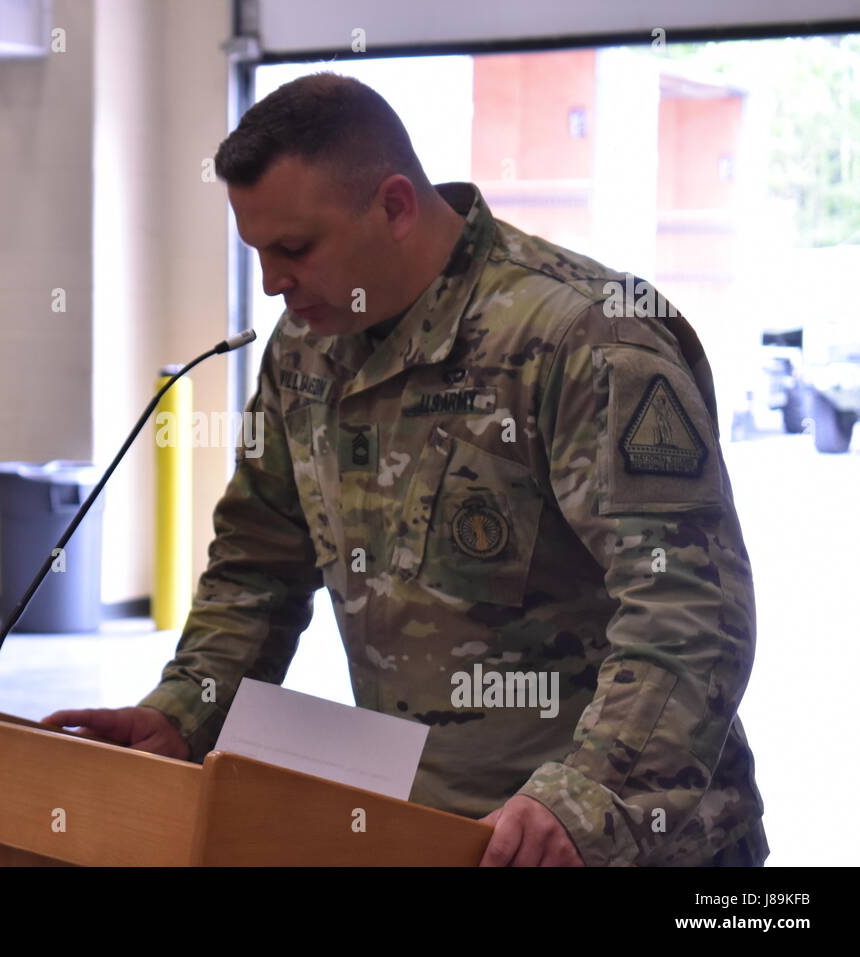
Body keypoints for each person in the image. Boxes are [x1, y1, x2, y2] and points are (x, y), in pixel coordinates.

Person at [45, 72, 768, 867]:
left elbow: (691, 610)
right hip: (434, 832)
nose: (272, 282)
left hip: (613, 841)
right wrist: (186, 709)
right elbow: (257, 565)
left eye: (294, 248)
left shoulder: (584, 338)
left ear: (393, 206)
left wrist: (585, 795)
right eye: (255, 251)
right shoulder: (306, 350)